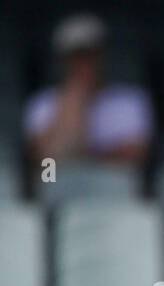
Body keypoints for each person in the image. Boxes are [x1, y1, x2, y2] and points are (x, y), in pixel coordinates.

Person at [23, 13, 153, 169]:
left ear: (102, 56)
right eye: (76, 57)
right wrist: (75, 102)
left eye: (90, 55)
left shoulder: (131, 100)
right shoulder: (42, 103)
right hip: (60, 189)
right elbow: (46, 162)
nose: (84, 64)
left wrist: (80, 157)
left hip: (113, 191)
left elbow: (134, 156)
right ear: (62, 61)